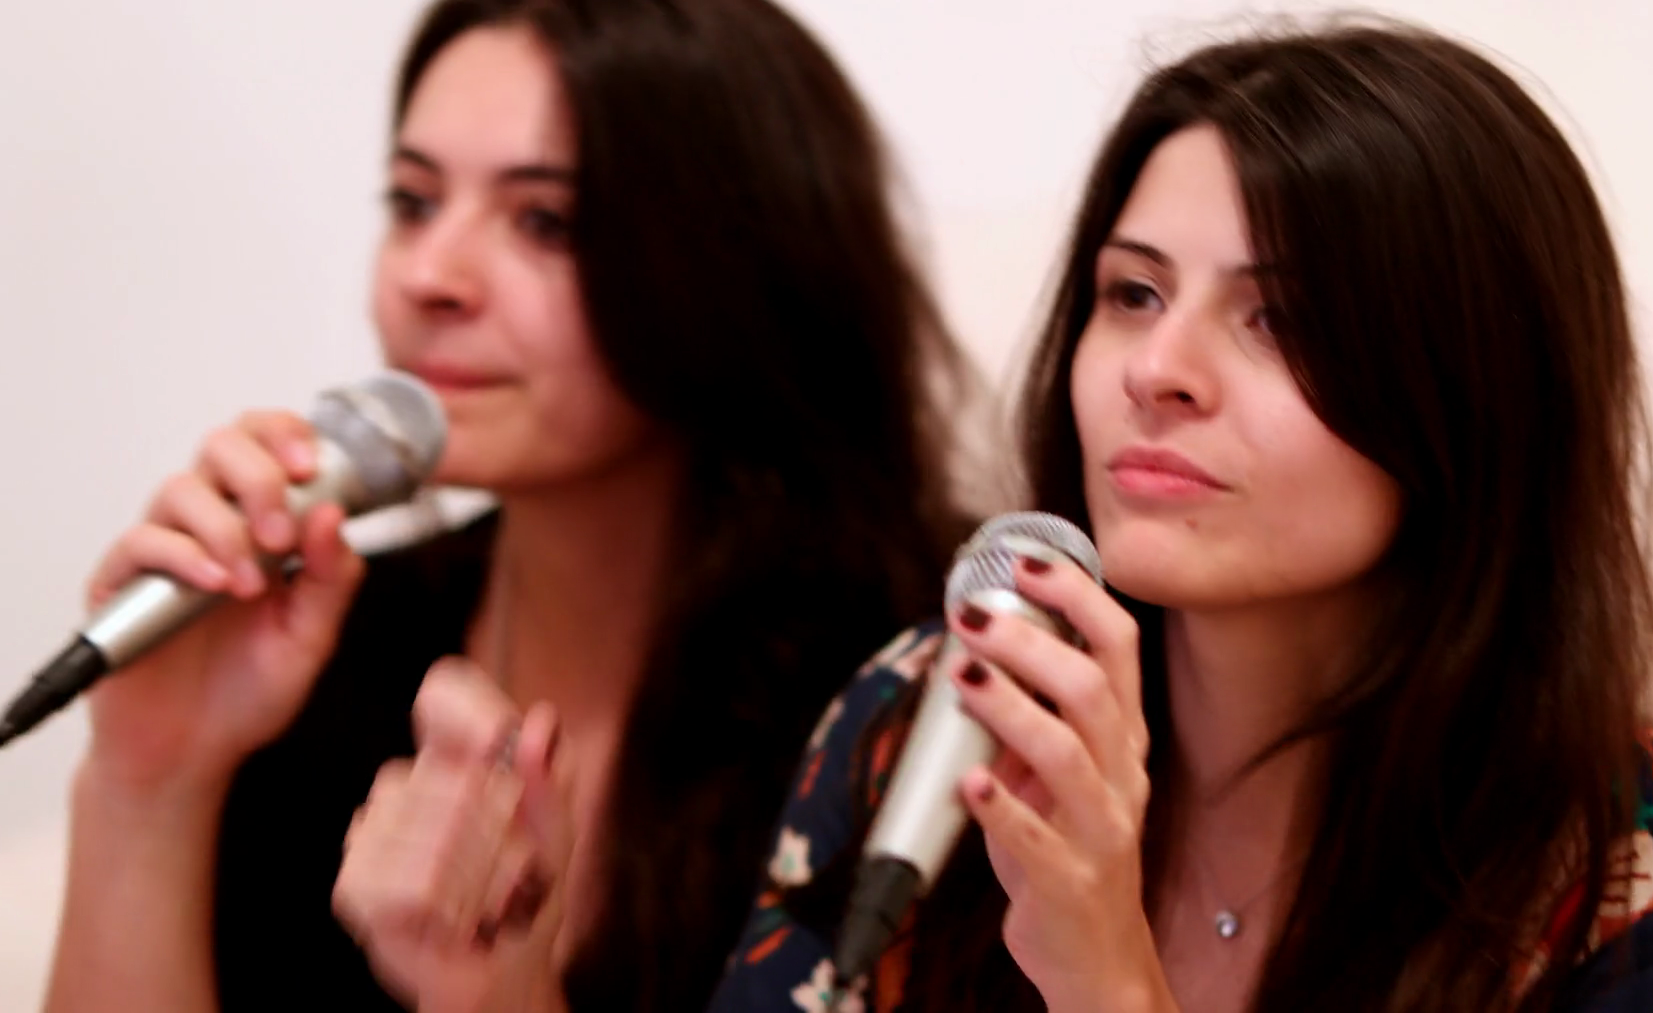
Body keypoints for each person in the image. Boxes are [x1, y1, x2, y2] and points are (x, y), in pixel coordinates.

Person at [710, 21, 1653, 1013]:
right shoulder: (932, 713)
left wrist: (1110, 981)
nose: (1158, 372)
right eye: (1133, 294)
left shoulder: (1650, 875)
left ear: (1476, 391)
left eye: (1279, 317)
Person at [41, 0, 975, 1010]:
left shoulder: (922, 693)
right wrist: (151, 779)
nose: (431, 275)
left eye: (544, 221)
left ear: (733, 257)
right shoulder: (322, 641)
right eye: (412, 201)